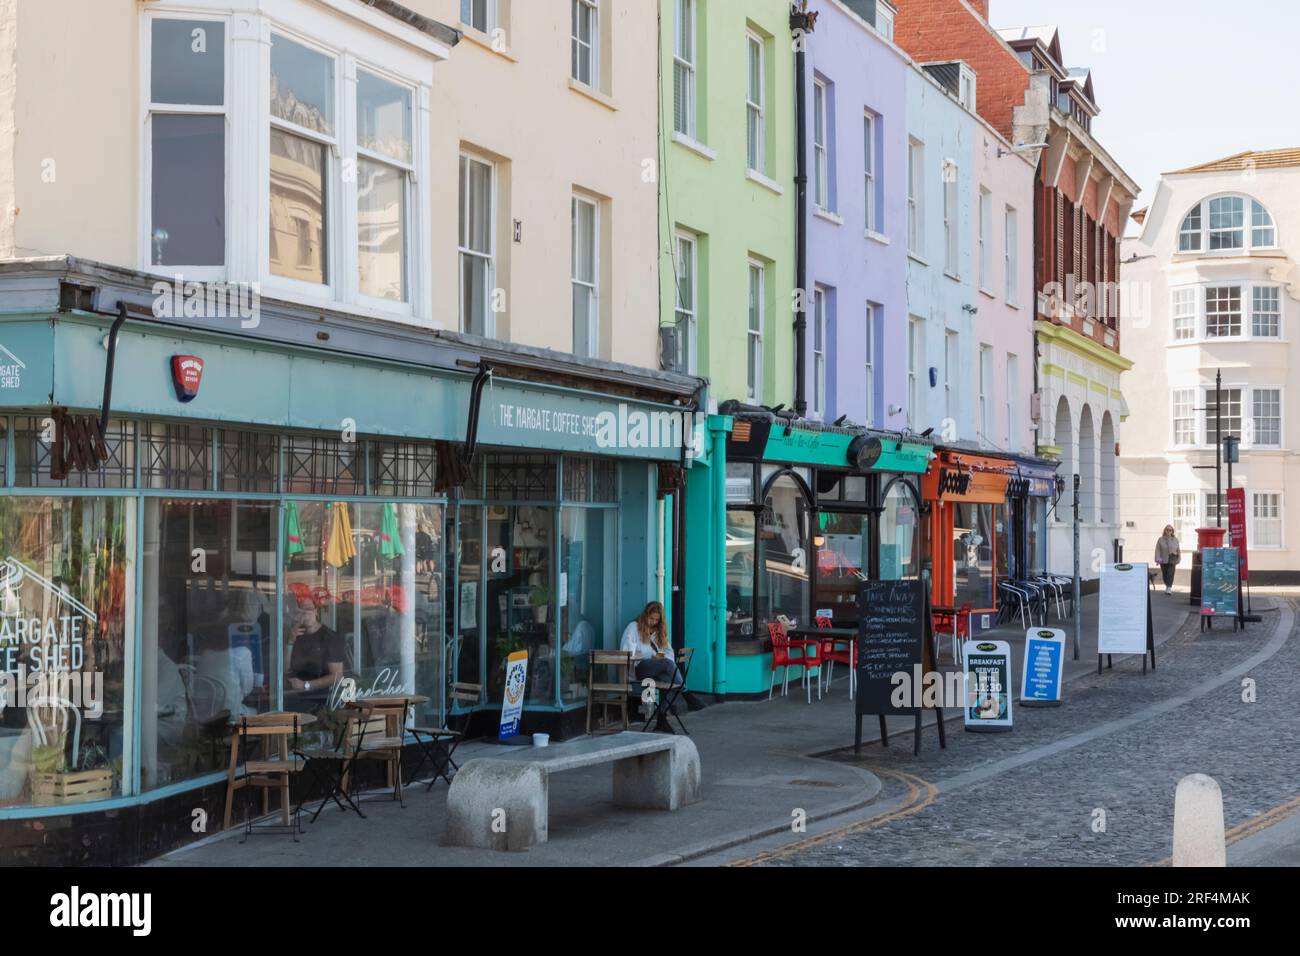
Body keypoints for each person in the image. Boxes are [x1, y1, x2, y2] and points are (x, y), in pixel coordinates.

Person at [619, 602, 681, 732]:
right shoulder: (633, 627)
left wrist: (658, 656)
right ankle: (685, 690)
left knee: (667, 679)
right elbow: (624, 650)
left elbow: (668, 652)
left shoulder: (658, 632)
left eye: (656, 620)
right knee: (667, 664)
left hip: (656, 667)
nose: (653, 622)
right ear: (645, 615)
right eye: (651, 618)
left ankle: (661, 720)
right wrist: (640, 654)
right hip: (639, 667)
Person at [287, 604, 347, 697]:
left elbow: (337, 676)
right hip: (294, 696)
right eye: (301, 610)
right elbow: (285, 668)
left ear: (316, 611)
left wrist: (305, 685)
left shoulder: (330, 637)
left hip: (320, 698)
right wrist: (290, 642)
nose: (305, 613)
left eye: (309, 609)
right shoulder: (295, 634)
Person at [1154, 525, 1182, 595]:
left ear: (1172, 531)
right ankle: (1167, 586)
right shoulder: (1160, 539)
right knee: (1165, 574)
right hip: (1163, 558)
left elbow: (1178, 550)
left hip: (1173, 557)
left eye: (1170, 530)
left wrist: (1179, 558)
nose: (1169, 531)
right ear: (1165, 531)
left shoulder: (1175, 539)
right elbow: (1157, 549)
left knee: (1170, 573)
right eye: (1167, 530)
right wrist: (1157, 558)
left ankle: (1169, 588)